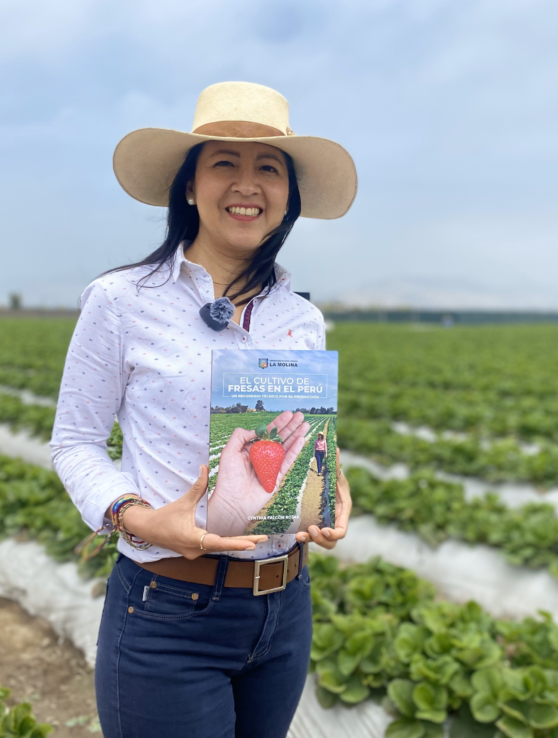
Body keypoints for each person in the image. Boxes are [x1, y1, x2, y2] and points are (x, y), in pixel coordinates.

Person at [50, 81, 356, 738]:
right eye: (224, 163)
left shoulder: (301, 318)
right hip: (169, 609)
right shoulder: (122, 300)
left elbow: (308, 437)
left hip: (284, 609)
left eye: (268, 167)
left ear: (288, 197)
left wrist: (331, 483)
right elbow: (74, 441)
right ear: (189, 185)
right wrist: (139, 518)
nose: (247, 184)